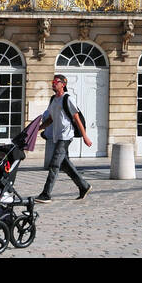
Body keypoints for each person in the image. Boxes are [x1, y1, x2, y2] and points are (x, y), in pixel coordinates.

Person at [35, 74, 92, 202]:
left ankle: (46, 194)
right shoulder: (53, 100)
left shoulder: (68, 99)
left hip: (66, 136)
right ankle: (84, 186)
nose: (53, 83)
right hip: (57, 136)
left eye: (56, 81)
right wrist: (37, 129)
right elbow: (50, 119)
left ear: (63, 84)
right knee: (65, 165)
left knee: (54, 164)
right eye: (52, 81)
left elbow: (77, 119)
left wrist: (85, 137)